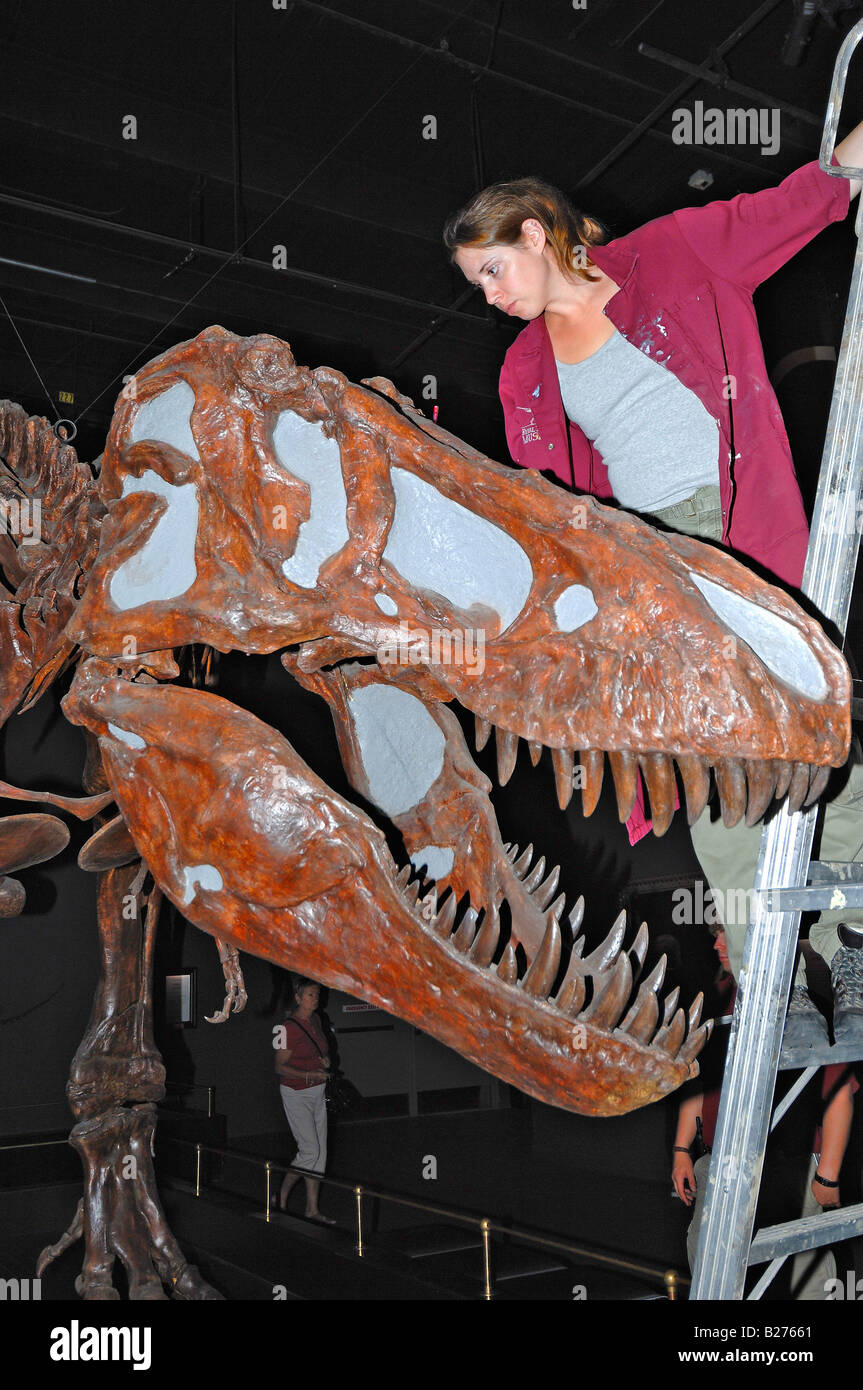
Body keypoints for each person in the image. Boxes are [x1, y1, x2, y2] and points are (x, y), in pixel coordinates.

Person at [443, 126, 863, 1039]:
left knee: (805, 722)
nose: (491, 296)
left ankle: (853, 936)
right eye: (479, 284)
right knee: (701, 761)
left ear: (534, 233)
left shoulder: (669, 253)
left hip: (736, 524)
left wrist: (844, 163)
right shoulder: (525, 370)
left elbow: (790, 206)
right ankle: (772, 980)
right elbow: (543, 508)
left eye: (491, 272)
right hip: (651, 561)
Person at [672, 928, 858, 1298]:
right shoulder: (715, 1003)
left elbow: (838, 1095)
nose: (716, 945)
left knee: (802, 1270)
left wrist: (828, 1174)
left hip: (790, 1164)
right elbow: (697, 1084)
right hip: (721, 1163)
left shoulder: (798, 1008)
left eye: (726, 934)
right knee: (709, 1262)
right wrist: (681, 1151)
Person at [274, 975, 336, 1224]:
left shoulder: (316, 1020)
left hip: (318, 1091)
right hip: (296, 1092)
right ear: (298, 998)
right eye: (311, 995)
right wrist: (309, 1073)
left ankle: (312, 1209)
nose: (315, 998)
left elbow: (323, 1049)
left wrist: (326, 1061)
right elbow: (280, 1067)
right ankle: (280, 1196)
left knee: (319, 1154)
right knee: (309, 1151)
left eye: (317, 994)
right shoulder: (287, 1027)